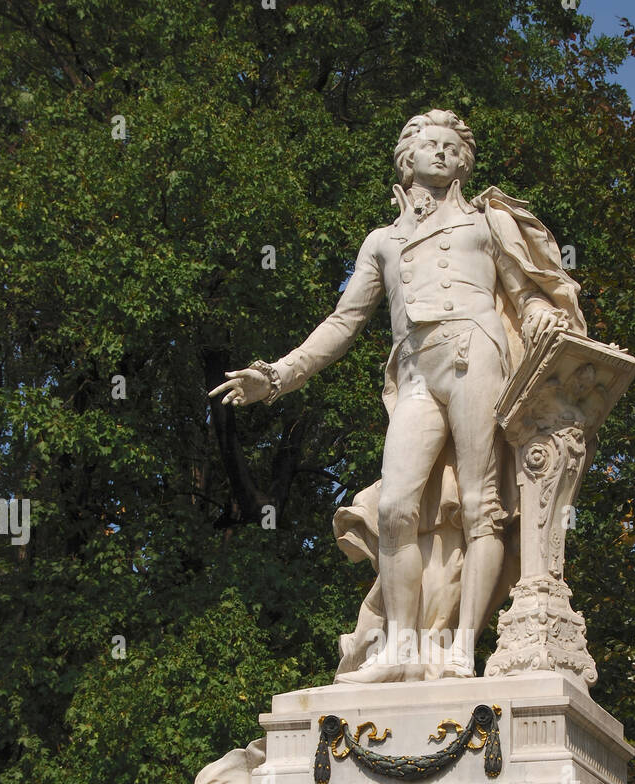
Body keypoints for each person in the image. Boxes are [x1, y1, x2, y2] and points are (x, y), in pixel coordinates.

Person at [210, 109, 586, 681]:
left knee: (481, 504)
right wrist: (280, 375)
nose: (442, 152)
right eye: (430, 144)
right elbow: (343, 322)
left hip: (474, 353)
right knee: (394, 509)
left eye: (452, 147)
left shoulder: (487, 222)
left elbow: (525, 291)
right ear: (406, 159)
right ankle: (400, 651)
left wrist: (539, 313)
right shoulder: (383, 242)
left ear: (464, 162)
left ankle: (462, 648)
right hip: (413, 374)